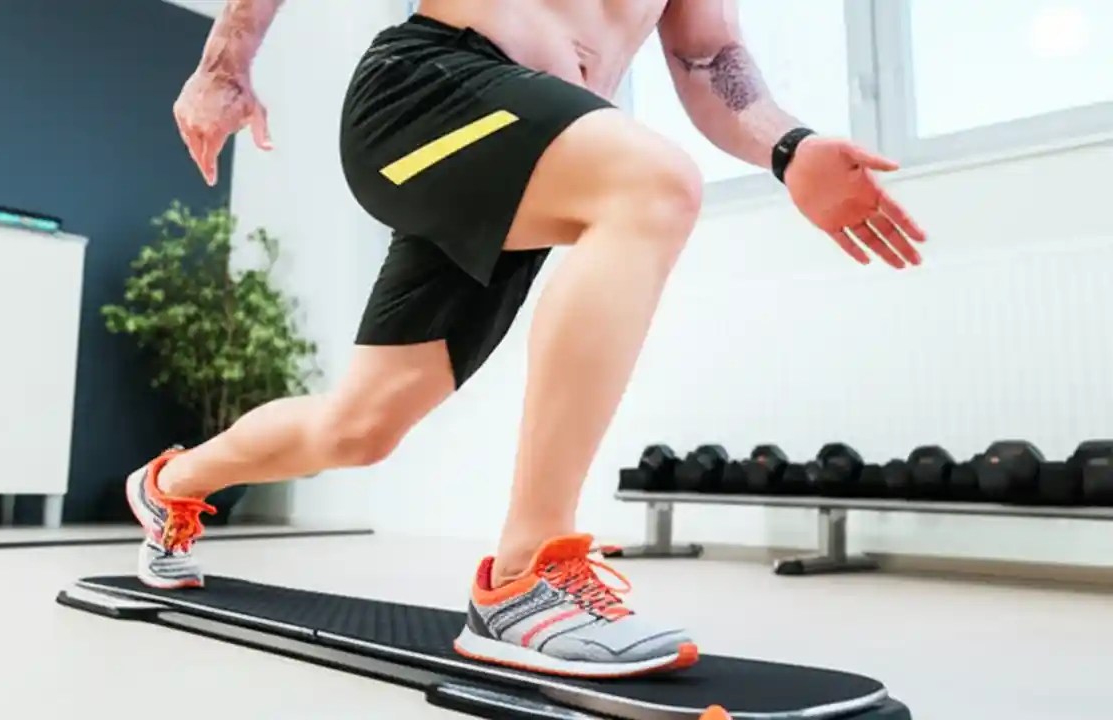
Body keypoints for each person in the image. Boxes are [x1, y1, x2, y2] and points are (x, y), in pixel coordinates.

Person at [128, 0, 927, 678]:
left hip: (524, 140)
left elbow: (708, 55)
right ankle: (523, 579)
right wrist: (224, 62)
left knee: (362, 426)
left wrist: (789, 148)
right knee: (653, 184)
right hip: (430, 91)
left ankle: (169, 485)